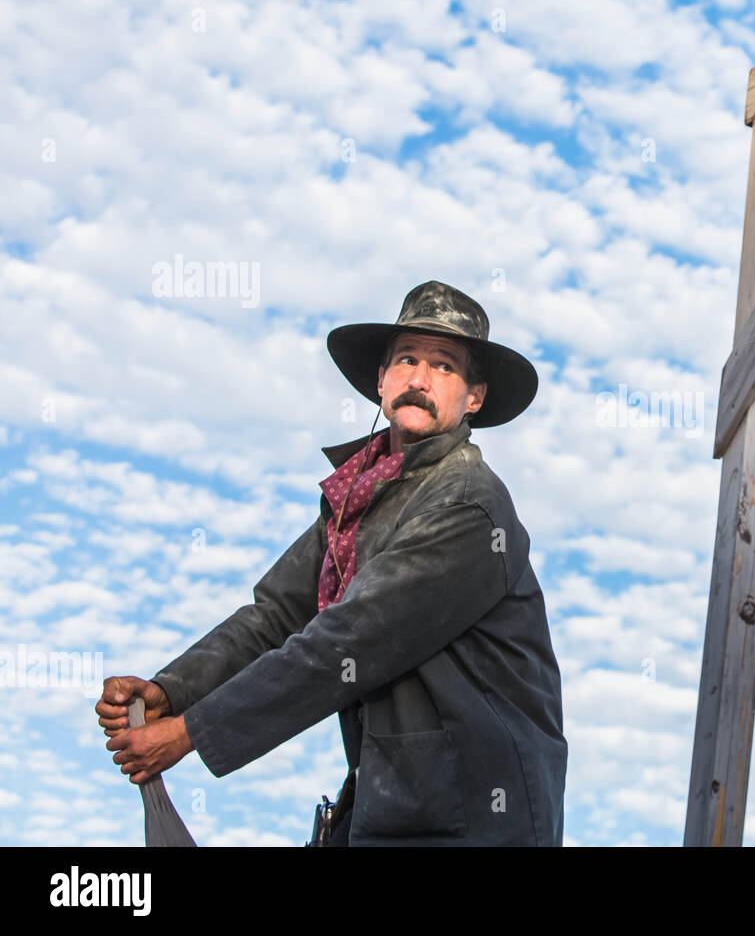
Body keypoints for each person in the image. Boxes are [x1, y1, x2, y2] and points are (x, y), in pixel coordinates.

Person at [97, 280, 566, 846]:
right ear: (380, 381)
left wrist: (190, 732)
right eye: (407, 360)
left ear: (473, 397)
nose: (419, 379)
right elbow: (273, 617)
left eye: (444, 367)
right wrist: (170, 692)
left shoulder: (467, 502)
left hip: (474, 820)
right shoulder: (358, 499)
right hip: (393, 805)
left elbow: (349, 639)